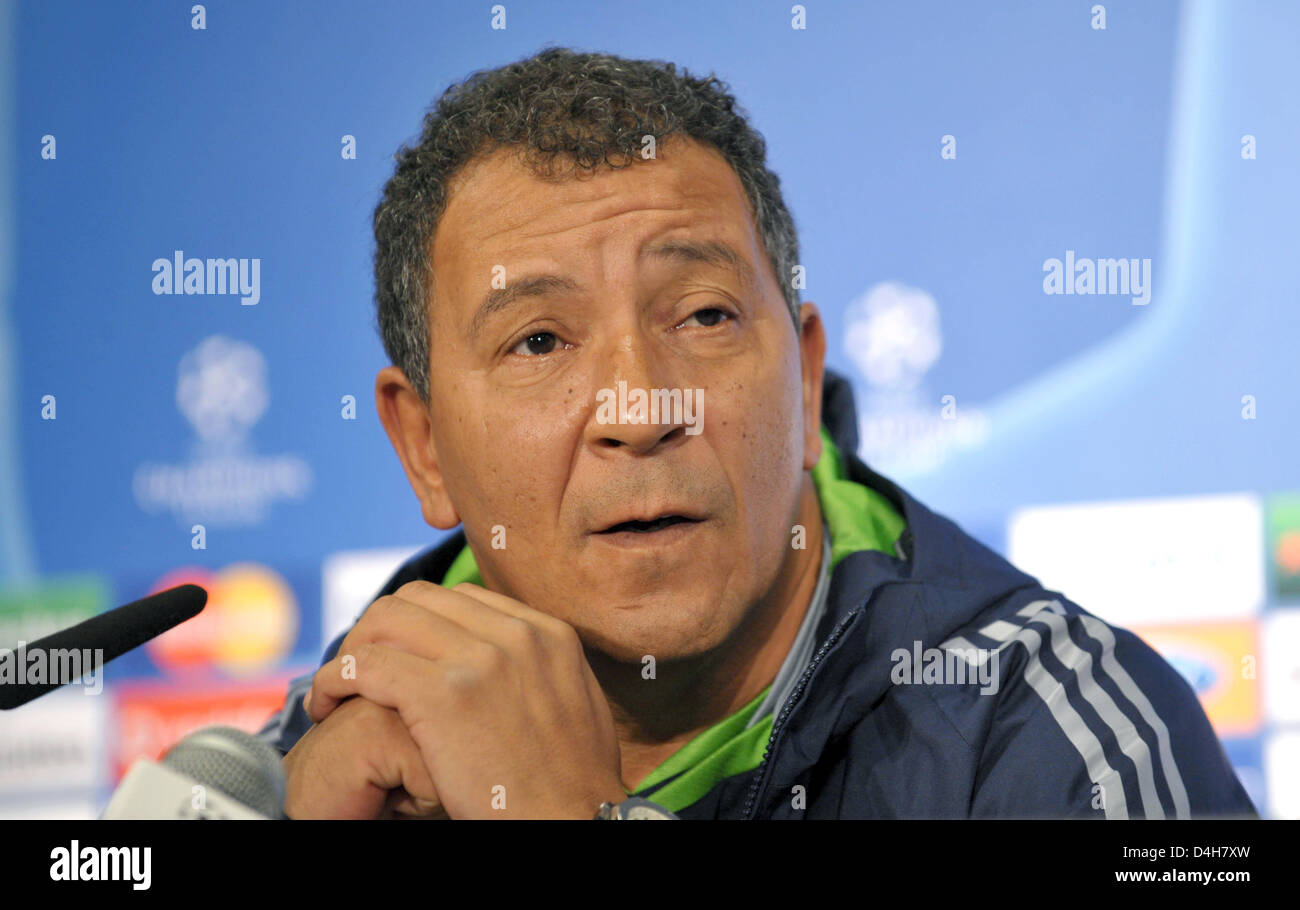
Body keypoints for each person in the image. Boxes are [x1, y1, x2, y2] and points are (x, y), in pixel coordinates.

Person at [257, 47, 1256, 820]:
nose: (640, 409)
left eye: (702, 316)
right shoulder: (347, 731)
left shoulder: (1063, 734)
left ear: (806, 374)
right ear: (424, 446)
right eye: (540, 340)